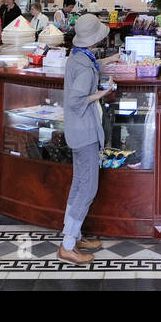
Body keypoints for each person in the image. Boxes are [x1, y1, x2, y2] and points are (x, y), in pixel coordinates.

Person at [59, 13, 114, 264]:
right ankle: (68, 245)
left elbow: (93, 66)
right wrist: (102, 92)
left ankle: (75, 234)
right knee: (87, 187)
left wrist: (114, 59)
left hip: (77, 130)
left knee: (79, 184)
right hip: (84, 132)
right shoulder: (83, 65)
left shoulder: (79, 56)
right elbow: (76, 100)